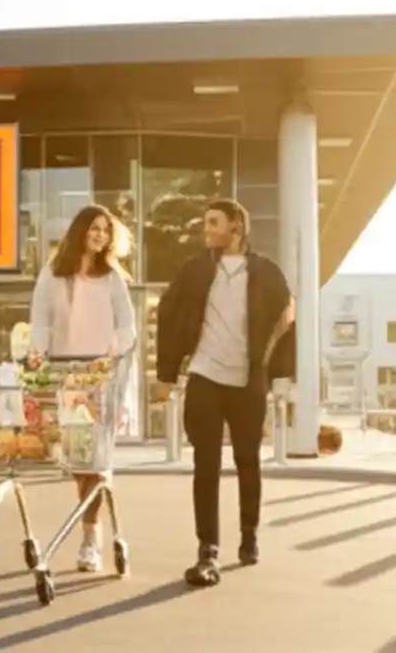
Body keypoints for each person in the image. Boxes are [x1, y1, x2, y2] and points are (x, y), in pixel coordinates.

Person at [156, 199, 294, 586]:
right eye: (205, 222)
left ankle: (249, 535)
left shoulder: (267, 273)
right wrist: (166, 371)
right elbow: (168, 312)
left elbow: (287, 322)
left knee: (248, 460)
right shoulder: (197, 270)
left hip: (247, 380)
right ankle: (207, 550)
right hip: (205, 374)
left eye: (214, 222)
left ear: (236, 225)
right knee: (206, 464)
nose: (207, 228)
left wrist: (279, 375)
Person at [30, 203, 137, 572]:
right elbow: (40, 320)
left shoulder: (112, 277)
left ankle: (91, 541)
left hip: (103, 378)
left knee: (95, 462)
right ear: (80, 231)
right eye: (94, 228)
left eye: (106, 230)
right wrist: (37, 355)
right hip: (68, 377)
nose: (100, 235)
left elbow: (127, 327)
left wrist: (108, 355)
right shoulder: (53, 273)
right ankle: (95, 531)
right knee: (81, 465)